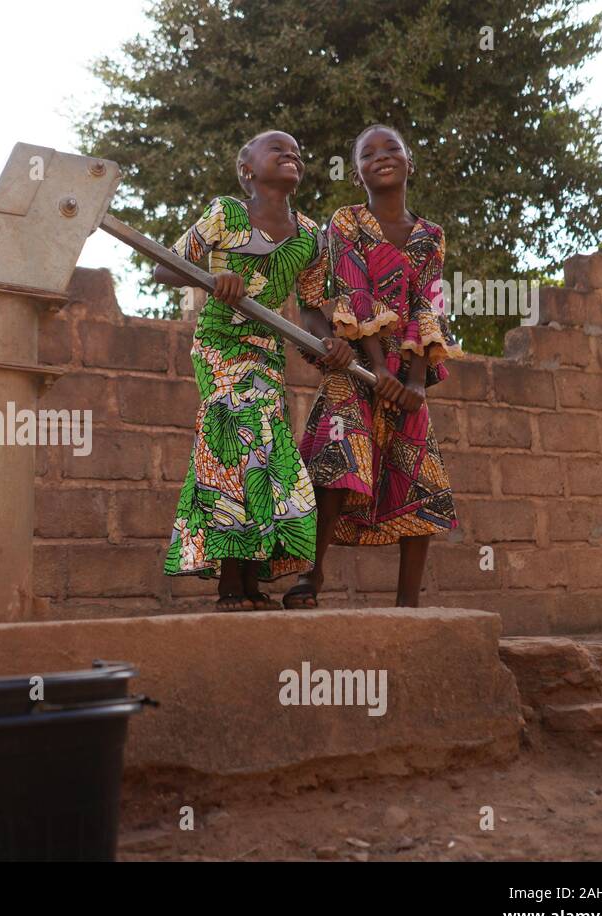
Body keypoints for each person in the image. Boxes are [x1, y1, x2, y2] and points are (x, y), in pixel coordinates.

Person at [155, 130, 354, 611]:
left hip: (266, 351)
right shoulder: (226, 213)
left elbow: (309, 309)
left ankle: (250, 582)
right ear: (248, 170)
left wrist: (327, 340)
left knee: (266, 454)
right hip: (219, 344)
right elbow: (165, 268)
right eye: (277, 149)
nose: (292, 154)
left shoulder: (310, 234)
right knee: (233, 445)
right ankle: (229, 584)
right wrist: (213, 278)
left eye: (297, 152)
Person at [286, 123, 462, 609]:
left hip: (404, 374)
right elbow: (352, 288)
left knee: (421, 475)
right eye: (368, 153)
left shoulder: (431, 236)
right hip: (355, 365)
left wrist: (416, 382)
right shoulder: (346, 222)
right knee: (337, 459)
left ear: (410, 162)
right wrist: (376, 368)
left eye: (392, 149)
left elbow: (428, 305)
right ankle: (311, 576)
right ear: (358, 170)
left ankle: (408, 603)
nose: (381, 157)